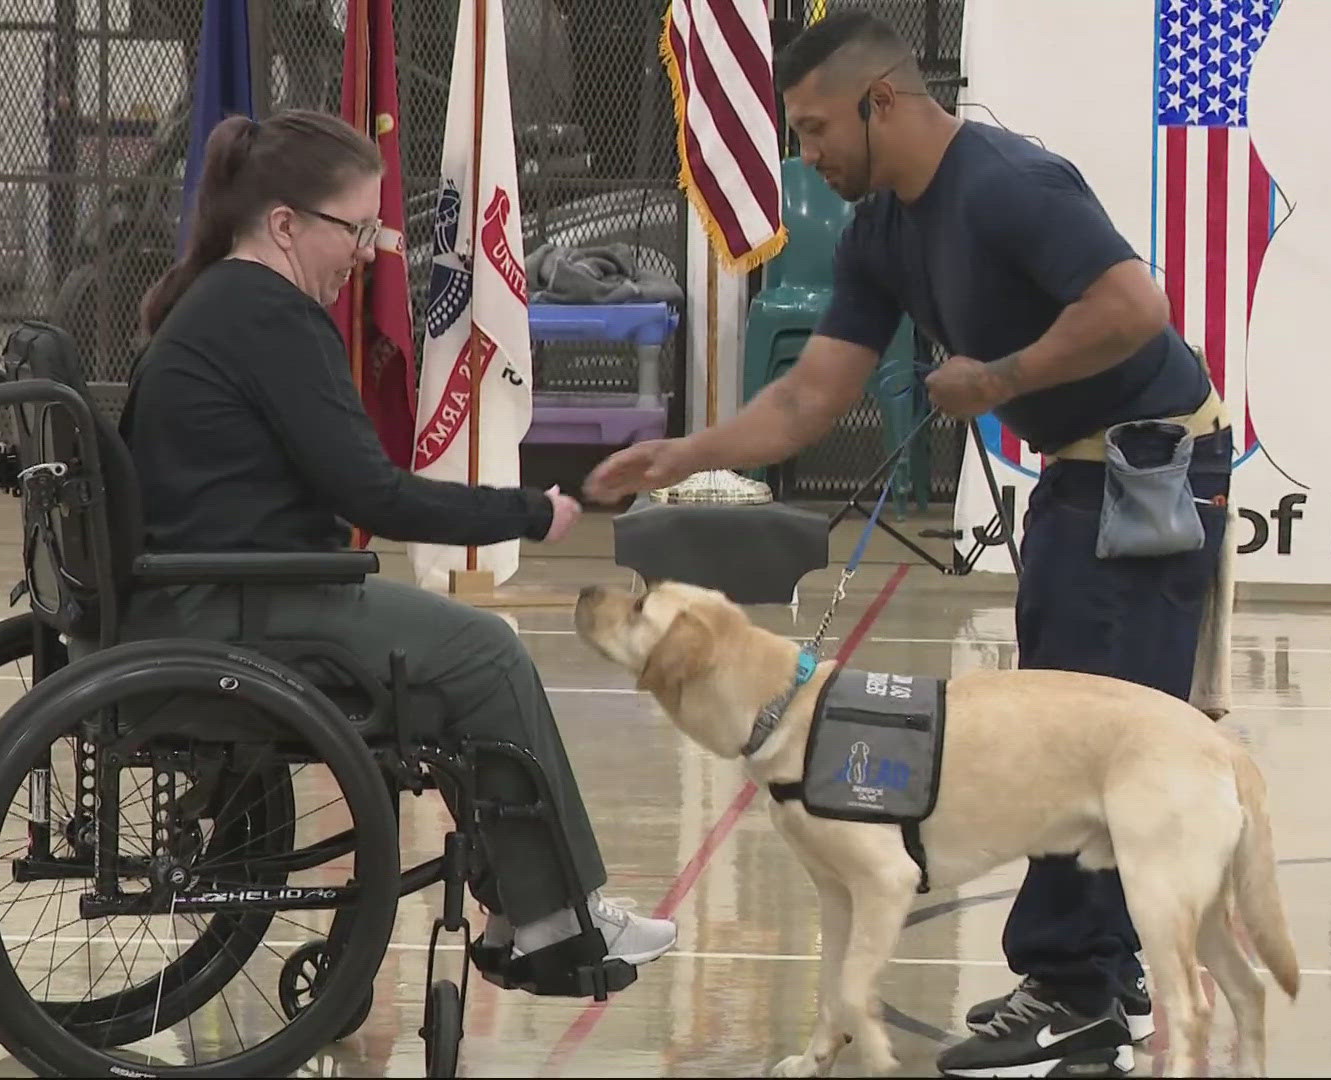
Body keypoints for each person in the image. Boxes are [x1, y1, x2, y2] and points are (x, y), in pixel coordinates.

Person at [585, 13, 1231, 1077]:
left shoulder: (1012, 184)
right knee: (1061, 712)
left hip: (1144, 472)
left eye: (814, 128)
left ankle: (1078, 992)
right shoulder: (880, 230)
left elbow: (1134, 307)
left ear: (882, 99)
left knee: (1084, 730)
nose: (807, 155)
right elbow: (810, 395)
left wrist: (1000, 377)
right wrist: (683, 454)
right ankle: (1094, 978)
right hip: (1078, 472)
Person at [119, 108, 676, 972]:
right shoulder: (268, 317)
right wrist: (523, 512)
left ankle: (524, 905)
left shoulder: (219, 302)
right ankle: (557, 917)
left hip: (215, 591)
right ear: (284, 225)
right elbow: (371, 493)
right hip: (235, 607)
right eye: (356, 230)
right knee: (487, 654)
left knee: (454, 650)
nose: (368, 252)